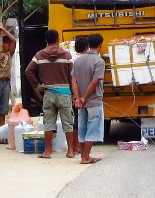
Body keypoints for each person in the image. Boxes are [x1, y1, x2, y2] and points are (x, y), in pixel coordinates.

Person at [24, 28, 77, 159]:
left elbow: (28, 71)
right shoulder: (66, 55)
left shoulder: (39, 55)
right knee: (68, 123)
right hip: (65, 92)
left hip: (48, 93)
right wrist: (73, 93)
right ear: (58, 40)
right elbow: (72, 76)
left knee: (49, 123)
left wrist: (37, 85)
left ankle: (47, 151)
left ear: (46, 41)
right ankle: (70, 151)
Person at [72, 33, 106, 165]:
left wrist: (78, 98)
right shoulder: (99, 61)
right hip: (93, 101)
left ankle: (83, 156)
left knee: (82, 128)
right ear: (100, 46)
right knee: (92, 129)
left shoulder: (78, 60)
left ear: (88, 45)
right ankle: (86, 157)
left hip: (81, 102)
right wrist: (85, 98)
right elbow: (94, 82)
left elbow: (73, 81)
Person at [0, 24, 17, 126]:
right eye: (6, 44)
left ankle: (2, 127)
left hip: (6, 81)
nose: (8, 46)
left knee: (3, 108)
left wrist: (4, 30)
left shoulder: (9, 54)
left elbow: (14, 41)